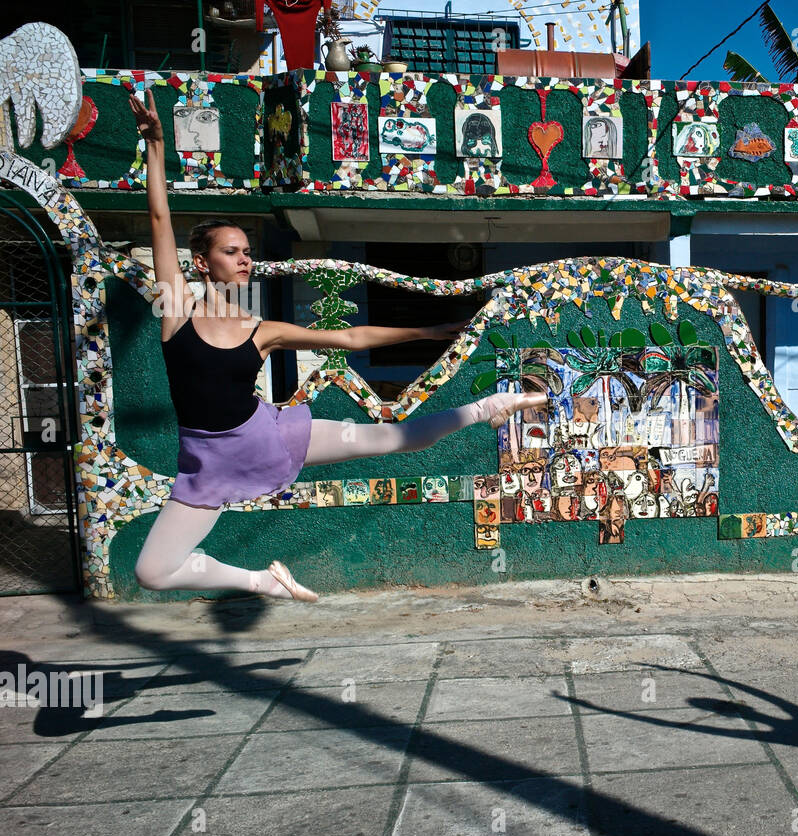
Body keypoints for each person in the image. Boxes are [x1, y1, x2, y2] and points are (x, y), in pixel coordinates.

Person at [126, 90, 545, 602]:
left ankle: (487, 407)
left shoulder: (262, 329)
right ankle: (260, 582)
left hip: (269, 437)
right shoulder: (177, 313)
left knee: (399, 438)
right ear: (201, 262)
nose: (244, 260)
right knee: (152, 571)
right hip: (205, 464)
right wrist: (155, 146)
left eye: (247, 253)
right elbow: (159, 222)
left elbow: (350, 337)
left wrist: (426, 332)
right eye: (231, 252)